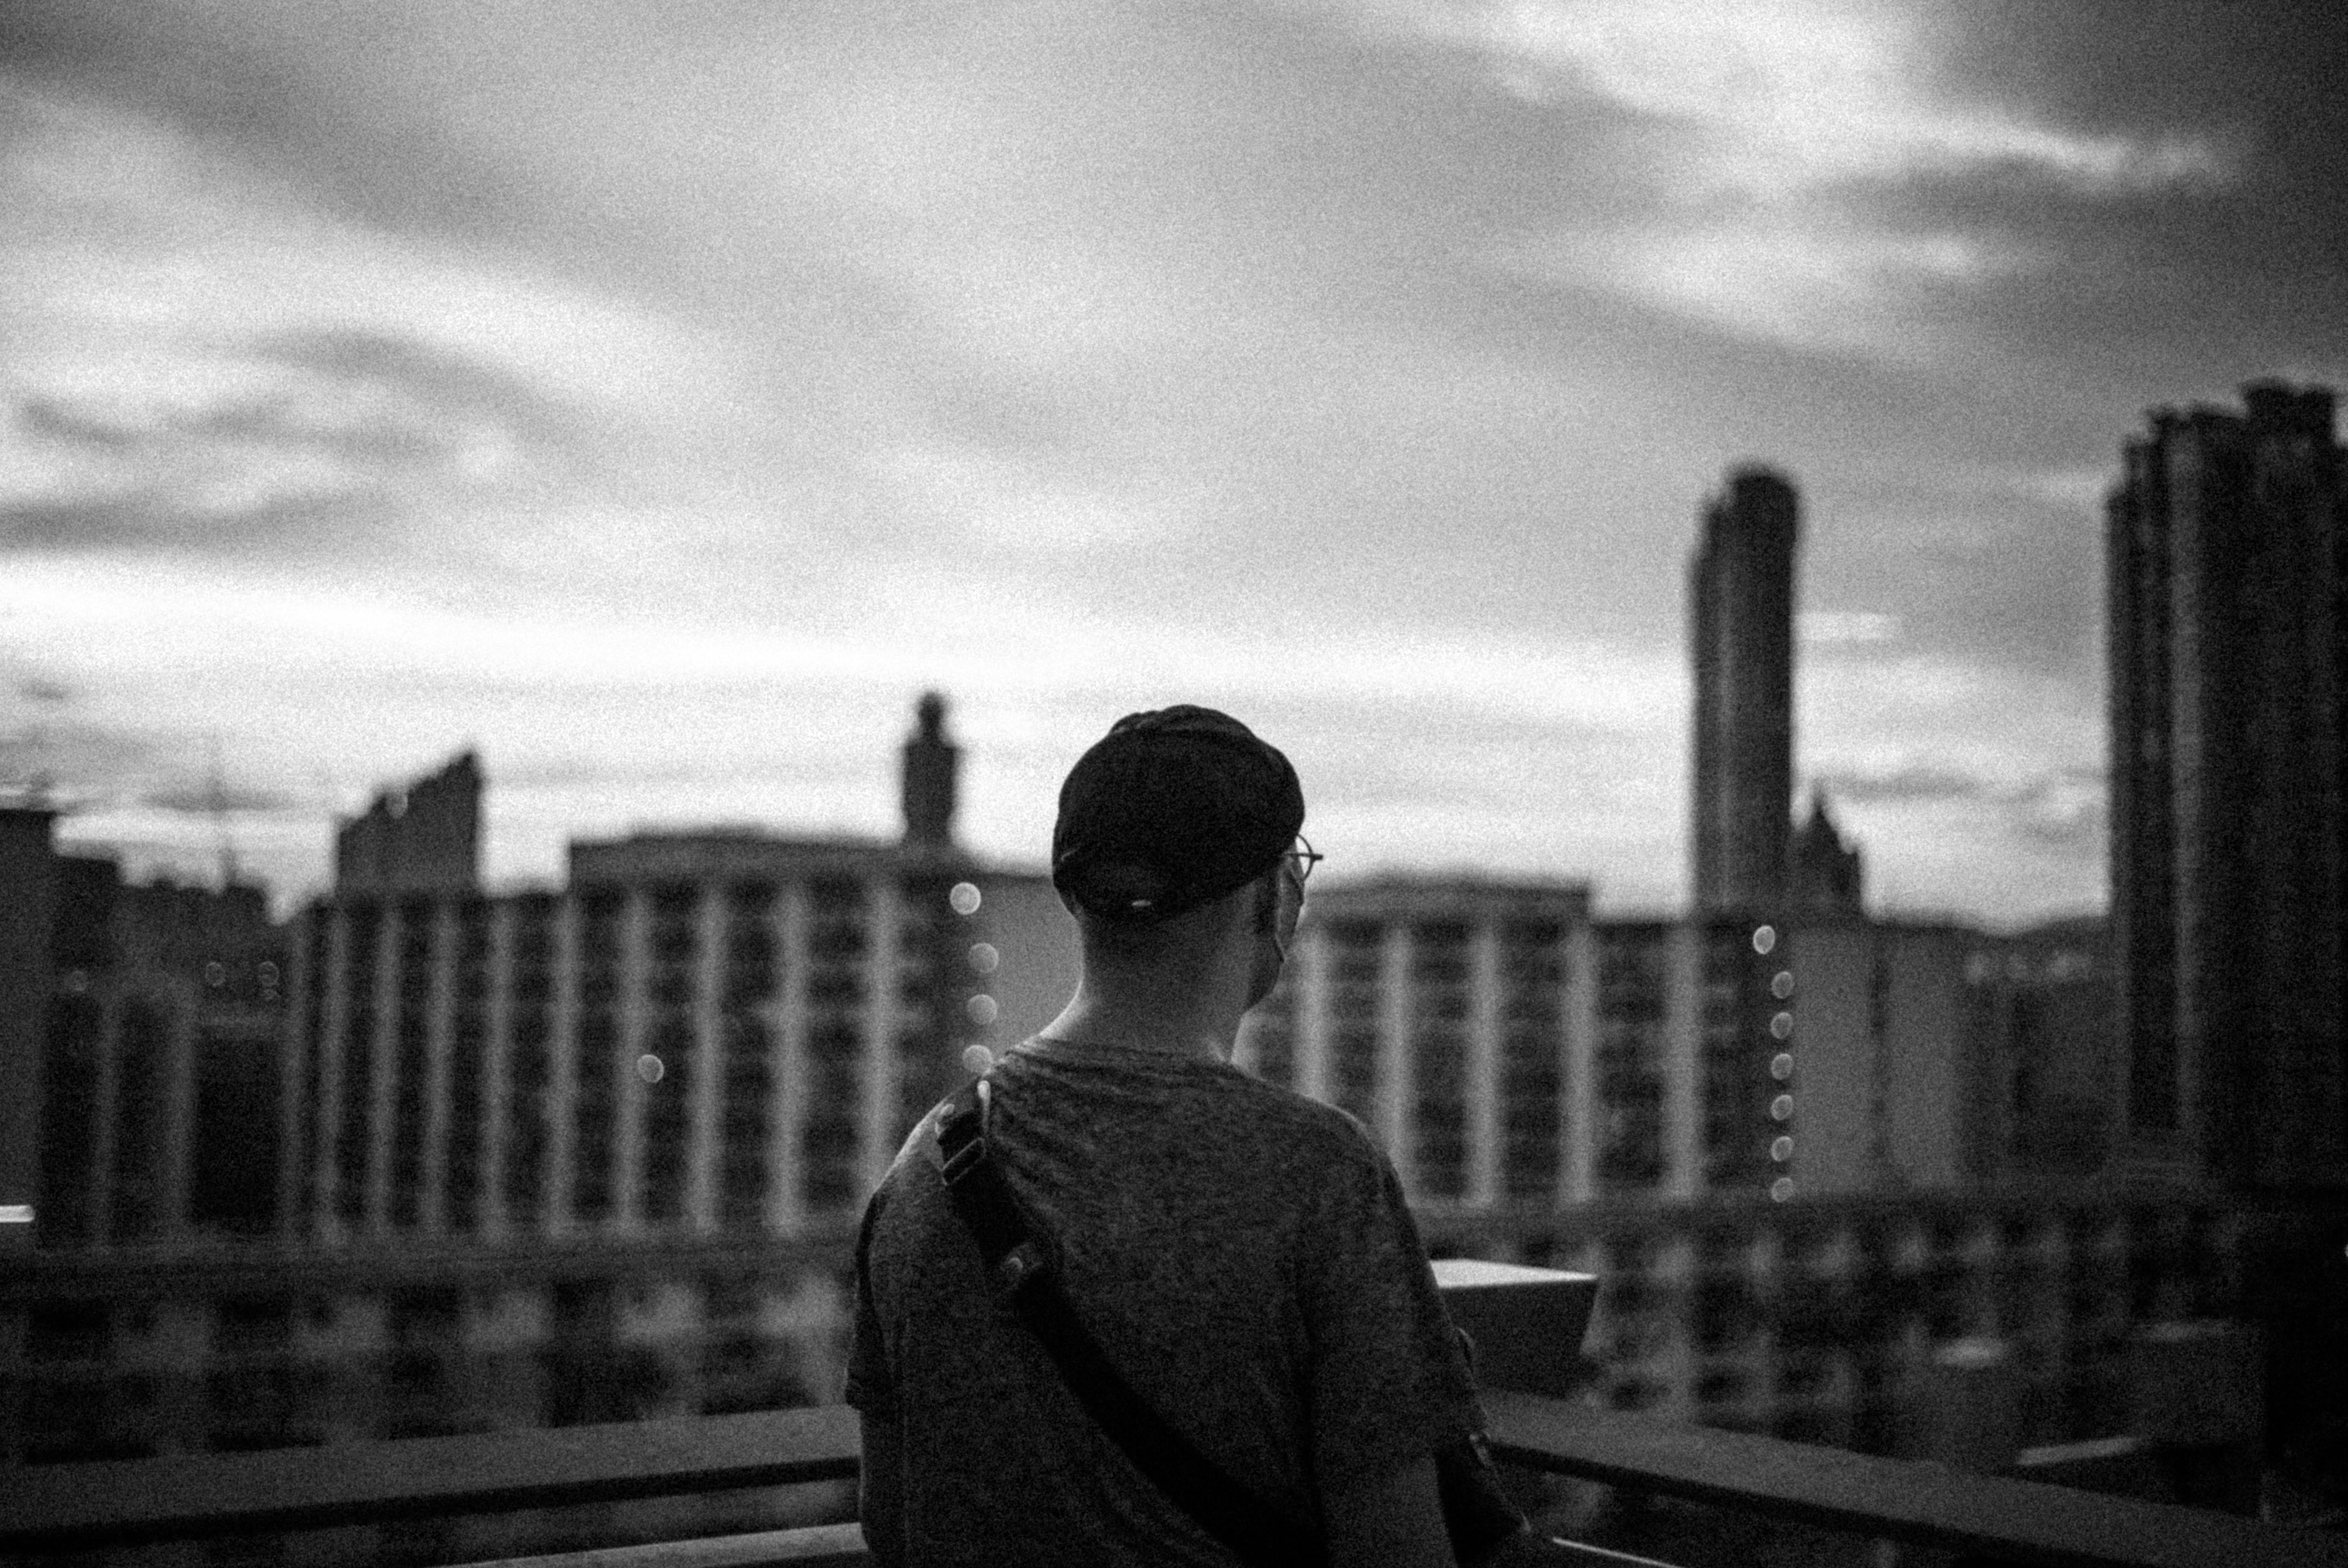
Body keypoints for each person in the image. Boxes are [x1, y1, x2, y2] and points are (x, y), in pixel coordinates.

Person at [846, 705, 1483, 1567]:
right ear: (1276, 895)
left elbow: (891, 1522)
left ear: (1077, 895)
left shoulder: (926, 1159)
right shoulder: (1318, 1175)